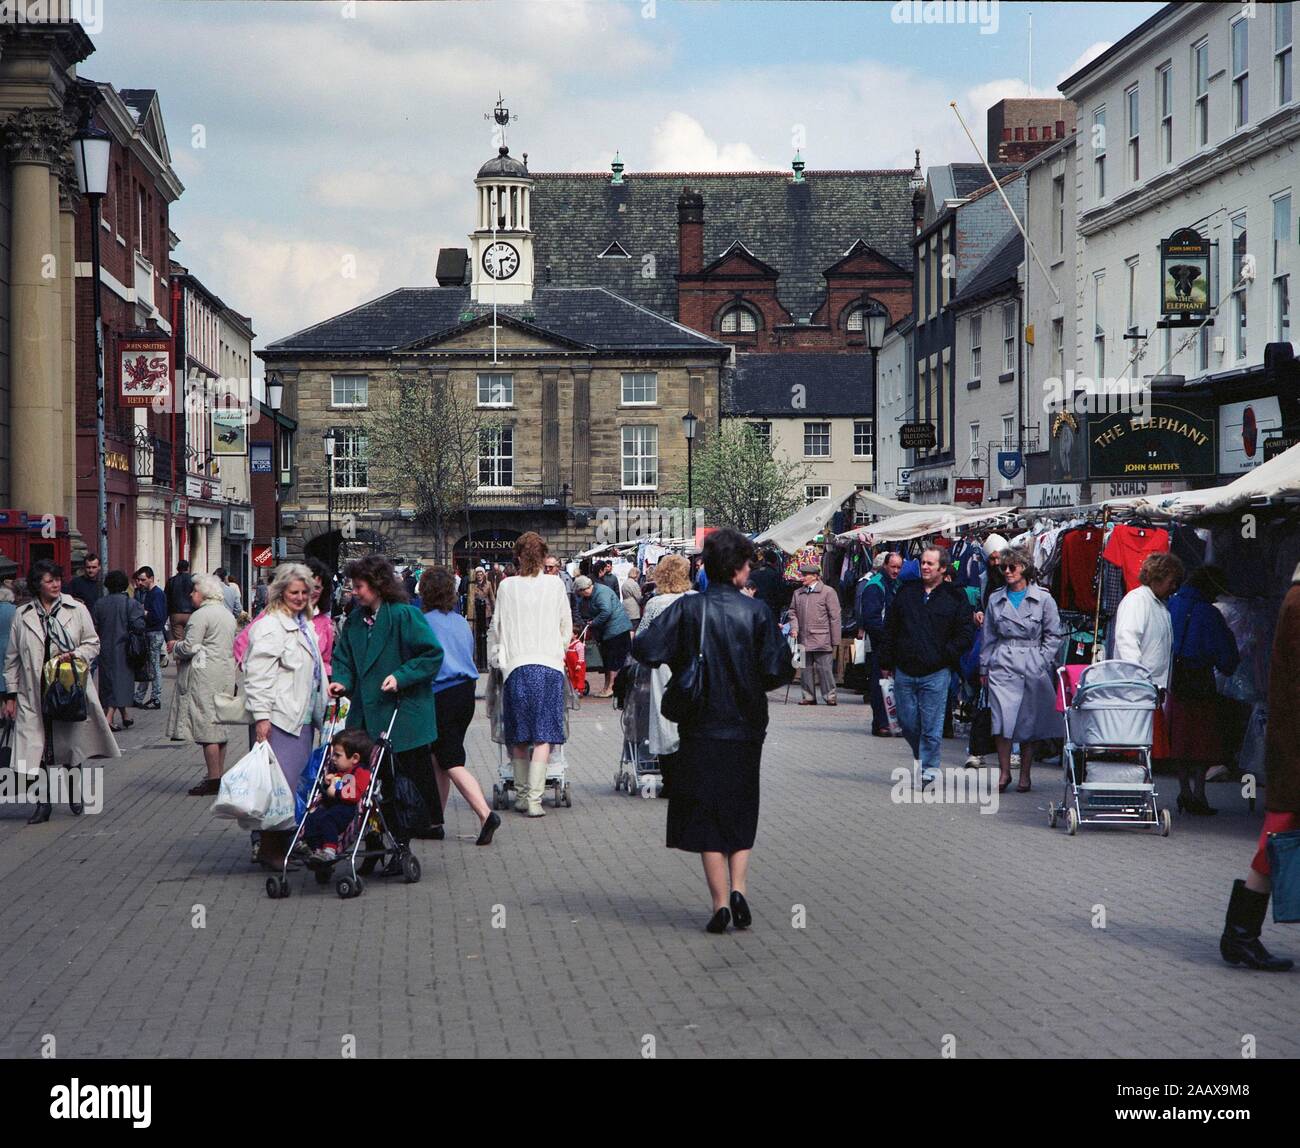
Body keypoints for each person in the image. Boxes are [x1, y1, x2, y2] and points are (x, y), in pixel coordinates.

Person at [633, 528, 791, 934]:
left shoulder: (688, 609)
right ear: (740, 568)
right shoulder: (756, 612)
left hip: (699, 724)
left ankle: (719, 903)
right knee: (741, 806)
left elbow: (646, 648)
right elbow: (778, 669)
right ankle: (739, 889)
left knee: (704, 812)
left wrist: (683, 660)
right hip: (745, 725)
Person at [1217, 560, 1300, 973]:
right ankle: (1240, 937)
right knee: (1274, 841)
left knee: (1275, 840)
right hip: (1294, 752)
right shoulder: (1299, 603)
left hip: (1291, 750)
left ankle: (1240, 936)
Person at [328, 555, 445, 844]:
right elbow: (343, 657)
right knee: (368, 783)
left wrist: (401, 676)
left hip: (401, 716)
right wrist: (341, 680)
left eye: (359, 586)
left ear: (378, 585)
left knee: (398, 785)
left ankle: (401, 840)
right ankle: (373, 839)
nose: (354, 592)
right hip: (367, 715)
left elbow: (432, 655)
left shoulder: (405, 615)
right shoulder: (355, 620)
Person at [2, 559, 120, 824]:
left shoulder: (76, 609)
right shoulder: (22, 616)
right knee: (37, 751)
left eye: (57, 579)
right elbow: (12, 659)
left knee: (70, 746)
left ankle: (74, 790)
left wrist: (75, 655)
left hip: (66, 687)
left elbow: (93, 643)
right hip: (33, 692)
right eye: (48, 580)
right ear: (37, 585)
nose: (55, 584)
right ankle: (42, 805)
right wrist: (9, 695)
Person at [244, 563, 329, 868]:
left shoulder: (302, 624)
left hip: (301, 719)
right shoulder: (270, 626)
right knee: (278, 790)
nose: (300, 597)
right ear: (280, 592)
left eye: (305, 592)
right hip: (280, 720)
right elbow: (257, 675)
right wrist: (262, 717)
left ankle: (283, 847)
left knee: (290, 789)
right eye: (294, 592)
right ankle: (271, 851)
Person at [489, 533, 573, 817]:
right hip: (548, 666)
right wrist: (558, 651)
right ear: (543, 556)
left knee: (519, 736)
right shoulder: (555, 585)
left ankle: (523, 796)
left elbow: (496, 627)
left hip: (516, 668)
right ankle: (536, 800)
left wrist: (500, 660)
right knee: (544, 735)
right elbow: (566, 627)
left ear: (518, 556)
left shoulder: (506, 586)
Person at [878, 546, 975, 786]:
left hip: (937, 672)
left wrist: (946, 655)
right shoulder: (906, 592)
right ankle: (922, 752)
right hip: (905, 669)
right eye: (923, 562)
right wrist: (886, 661)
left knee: (932, 724)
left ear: (943, 568)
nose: (924, 567)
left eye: (930, 564)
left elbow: (965, 633)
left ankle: (929, 769)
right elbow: (890, 628)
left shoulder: (955, 596)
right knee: (907, 721)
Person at [418, 566, 499, 844]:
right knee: (439, 758)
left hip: (441, 693)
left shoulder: (423, 621)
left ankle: (485, 813)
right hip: (465, 692)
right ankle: (435, 819)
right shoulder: (459, 622)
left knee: (449, 760)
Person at [979, 547, 1063, 794]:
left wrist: (1041, 661)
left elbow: (1053, 635)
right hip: (1002, 661)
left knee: (1028, 723)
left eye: (1011, 567)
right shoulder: (996, 598)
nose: (1006, 571)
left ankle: (1025, 775)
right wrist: (985, 665)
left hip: (1031, 662)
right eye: (1003, 567)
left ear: (1024, 568)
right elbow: (988, 636)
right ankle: (1004, 772)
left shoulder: (1044, 599)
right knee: (1001, 720)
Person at [1166, 564, 1239, 816]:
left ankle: (1184, 790)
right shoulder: (1209, 613)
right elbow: (1225, 653)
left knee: (1181, 737)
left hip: (1174, 678)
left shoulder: (1172, 604)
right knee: (1201, 739)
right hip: (1200, 681)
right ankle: (1198, 793)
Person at [165, 573, 239, 796]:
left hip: (204, 675)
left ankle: (213, 778)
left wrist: (174, 646)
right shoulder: (227, 615)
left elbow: (190, 647)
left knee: (207, 729)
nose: (191, 594)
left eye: (195, 590)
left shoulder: (200, 616)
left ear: (204, 594)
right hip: (225, 674)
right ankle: (218, 774)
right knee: (220, 726)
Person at [1113, 551, 1184, 762]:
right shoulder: (1137, 600)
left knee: (1145, 751)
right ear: (1157, 577)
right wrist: (1141, 680)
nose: (1174, 587)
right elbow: (1127, 641)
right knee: (1136, 749)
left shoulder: (1159, 605)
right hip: (1139, 690)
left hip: (1151, 689)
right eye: (1172, 581)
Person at [636, 555, 695, 797]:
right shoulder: (695, 600)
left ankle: (670, 782)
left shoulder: (655, 603)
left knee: (663, 720)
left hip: (662, 667)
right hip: (691, 664)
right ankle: (689, 778)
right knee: (689, 718)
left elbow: (642, 637)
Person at [302, 728, 374, 863]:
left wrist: (335, 790)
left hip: (347, 809)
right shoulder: (340, 772)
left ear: (355, 758)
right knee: (313, 818)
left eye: (337, 755)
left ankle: (330, 849)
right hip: (333, 806)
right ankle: (315, 848)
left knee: (328, 820)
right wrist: (327, 782)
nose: (333, 759)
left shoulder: (360, 772)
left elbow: (354, 793)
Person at [91, 570, 146, 733]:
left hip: (104, 647)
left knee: (109, 683)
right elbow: (138, 626)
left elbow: (94, 625)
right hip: (125, 648)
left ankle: (125, 715)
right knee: (121, 683)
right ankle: (108, 718)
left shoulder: (100, 603)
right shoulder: (131, 604)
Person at [856, 551, 903, 734]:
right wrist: (886, 639)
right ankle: (881, 724)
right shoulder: (875, 586)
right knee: (880, 684)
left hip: (895, 644)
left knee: (892, 685)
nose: (896, 571)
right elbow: (872, 619)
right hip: (880, 645)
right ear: (885, 565)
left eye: (899, 567)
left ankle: (893, 723)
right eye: (893, 567)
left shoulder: (897, 584)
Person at [789, 562, 842, 706]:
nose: (803, 578)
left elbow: (835, 617)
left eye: (806, 575)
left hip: (822, 637)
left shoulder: (828, 592)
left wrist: (835, 640)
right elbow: (792, 612)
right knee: (805, 669)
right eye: (803, 574)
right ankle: (808, 696)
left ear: (816, 577)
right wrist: (794, 627)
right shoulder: (798, 593)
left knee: (824, 669)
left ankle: (830, 696)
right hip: (803, 637)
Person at [573, 572, 632, 698]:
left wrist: (594, 622)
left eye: (580, 593)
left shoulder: (601, 593)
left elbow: (606, 611)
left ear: (584, 589)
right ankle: (607, 687)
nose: (580, 596)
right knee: (608, 660)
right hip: (610, 631)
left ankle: (611, 688)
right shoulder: (594, 593)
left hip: (617, 630)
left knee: (613, 660)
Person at [132, 566, 167, 710]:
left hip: (154, 633)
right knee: (147, 667)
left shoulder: (156, 594)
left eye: (143, 580)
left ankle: (155, 698)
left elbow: (158, 616)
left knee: (154, 667)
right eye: (139, 580)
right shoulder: (148, 593)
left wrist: (144, 612)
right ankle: (138, 697)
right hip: (150, 633)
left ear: (151, 579)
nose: (140, 582)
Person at [467, 567, 495, 669]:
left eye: (480, 574)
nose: (479, 576)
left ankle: (482, 659)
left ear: (483, 575)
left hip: (486, 611)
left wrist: (494, 608)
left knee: (484, 633)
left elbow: (491, 597)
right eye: (477, 575)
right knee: (477, 633)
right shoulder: (472, 585)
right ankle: (478, 658)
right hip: (476, 611)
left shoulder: (488, 584)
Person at [165, 560, 195, 641]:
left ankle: (180, 652)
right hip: (190, 613)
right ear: (188, 568)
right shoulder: (193, 581)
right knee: (190, 638)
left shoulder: (171, 581)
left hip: (175, 613)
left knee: (178, 639)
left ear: (177, 568)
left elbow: (166, 598)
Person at [621, 566, 643, 630]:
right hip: (633, 609)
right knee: (633, 628)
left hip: (625, 606)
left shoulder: (625, 583)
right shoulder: (634, 584)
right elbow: (638, 597)